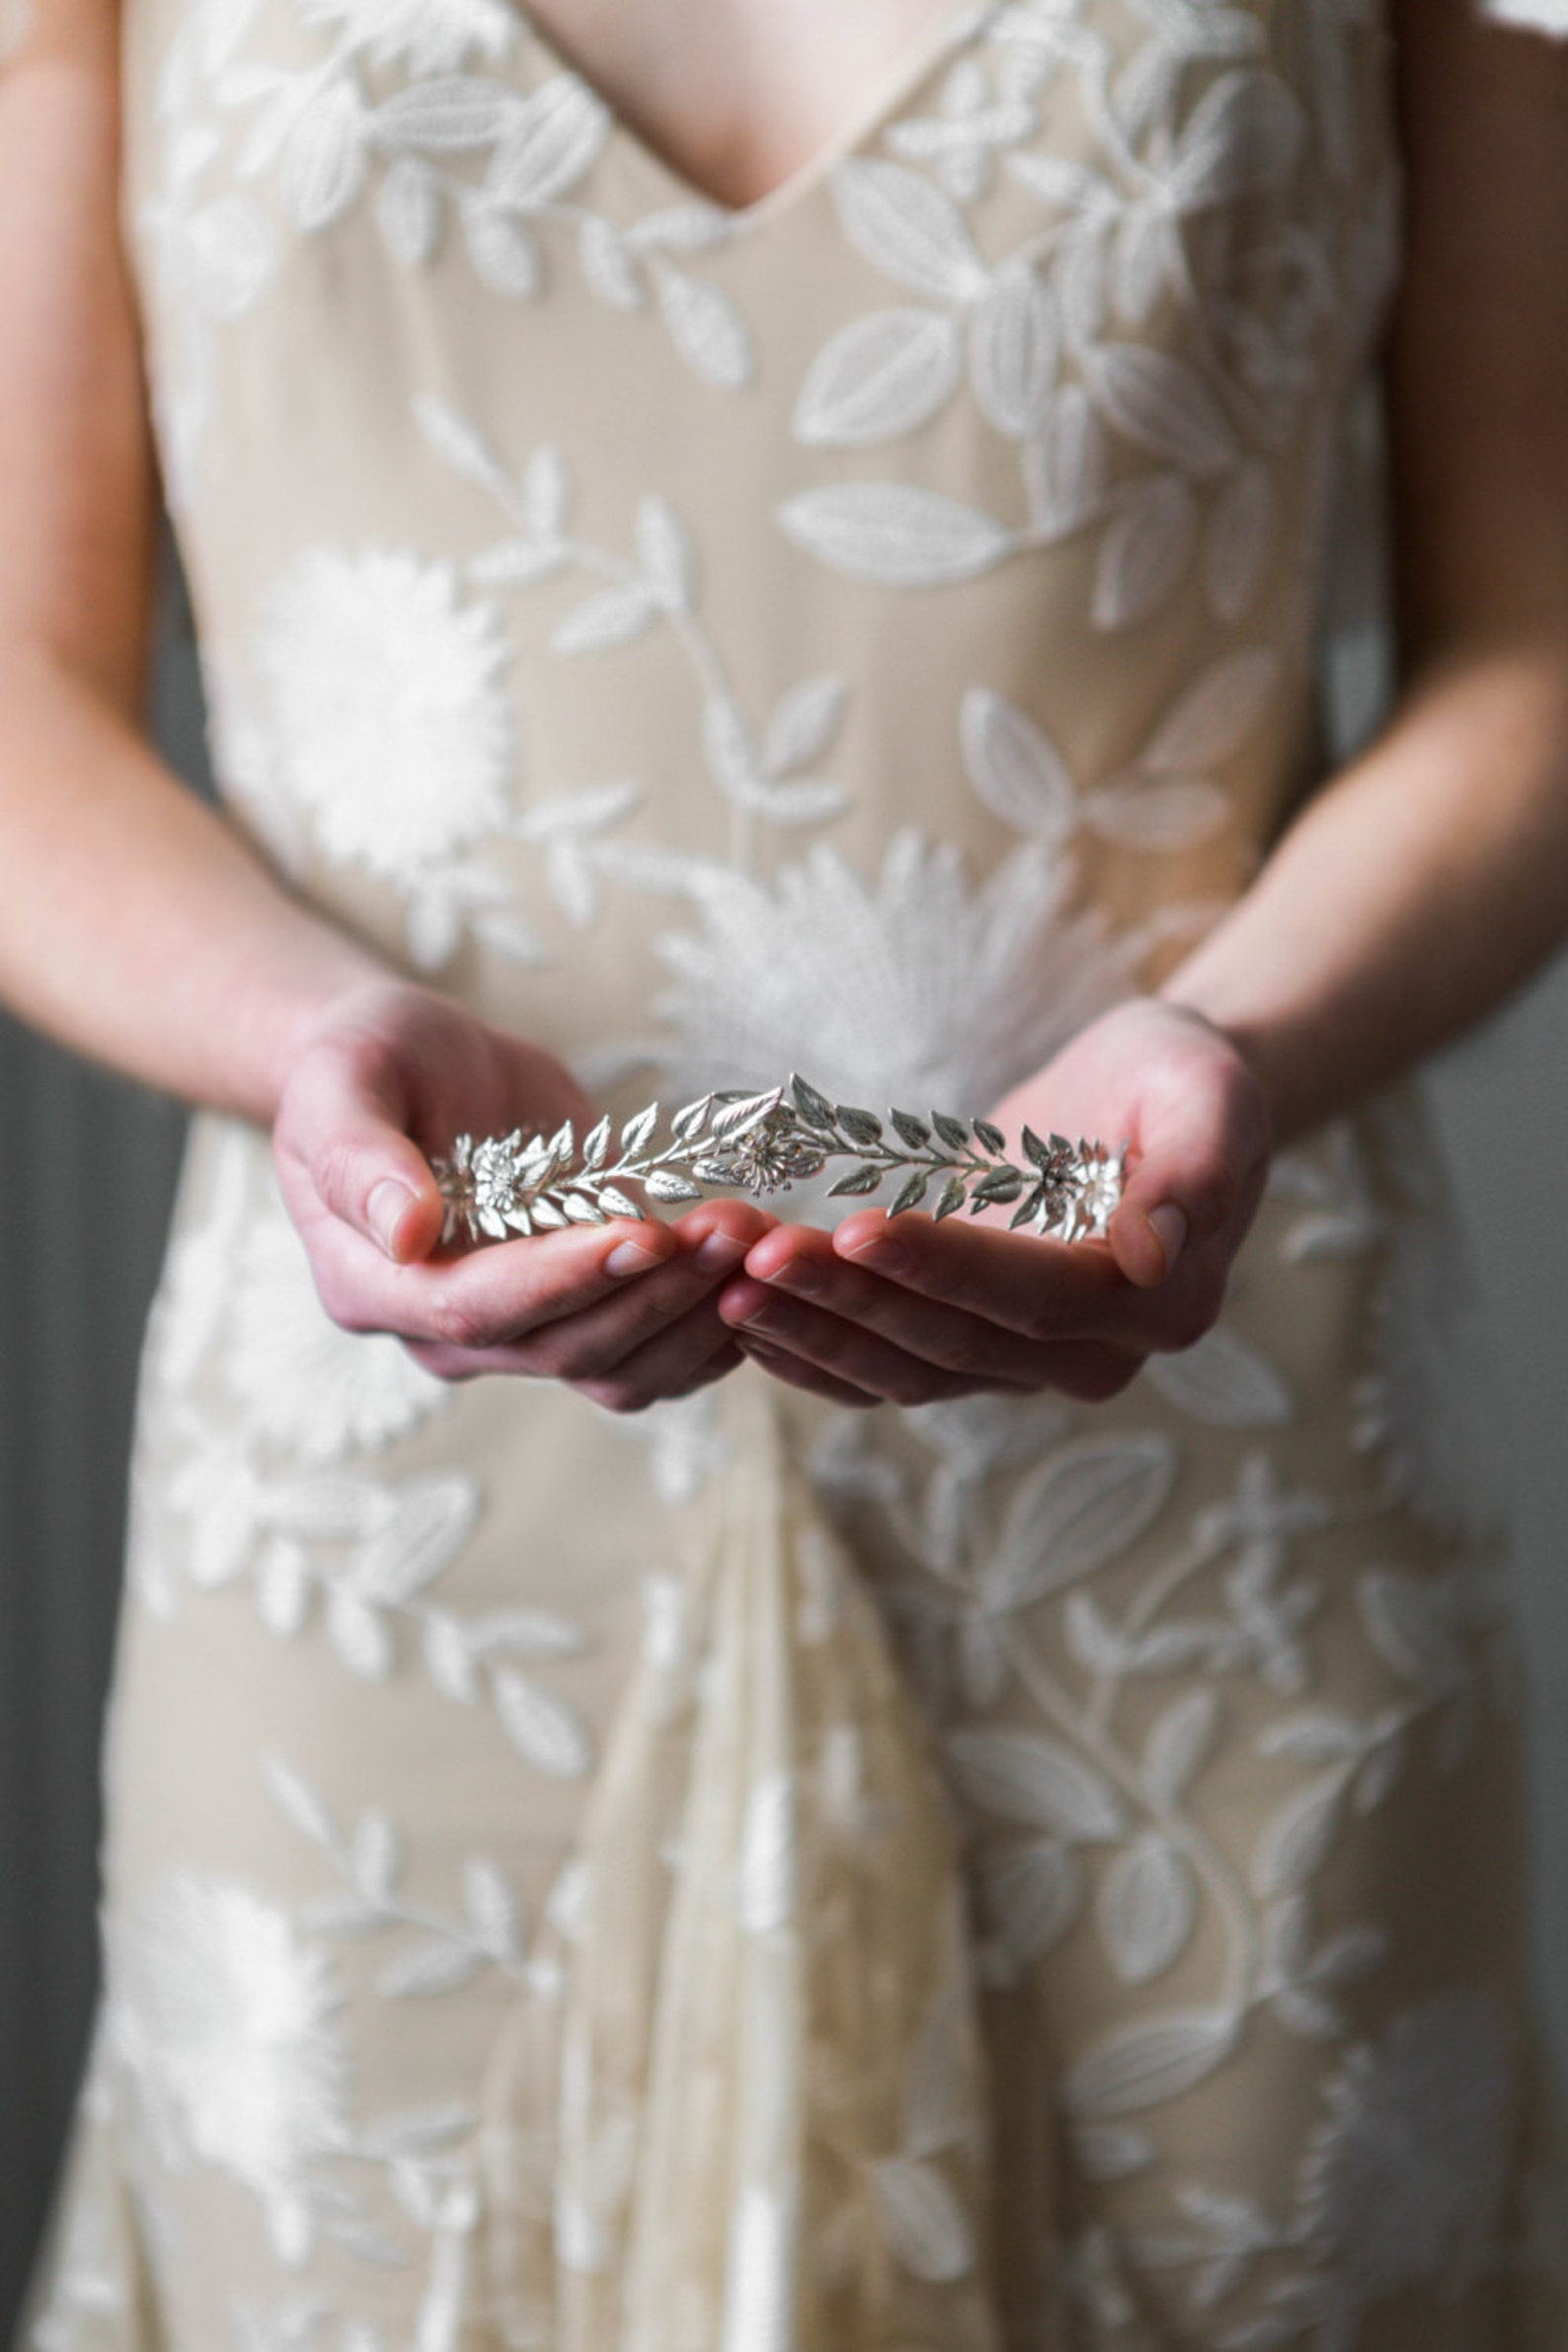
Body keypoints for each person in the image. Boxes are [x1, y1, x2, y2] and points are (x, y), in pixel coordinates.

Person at [7, 0, 1568, 2341]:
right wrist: (296, 1036)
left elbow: (1531, 640)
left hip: (1192, 1475)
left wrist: (1235, 1036)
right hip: (397, 1525)